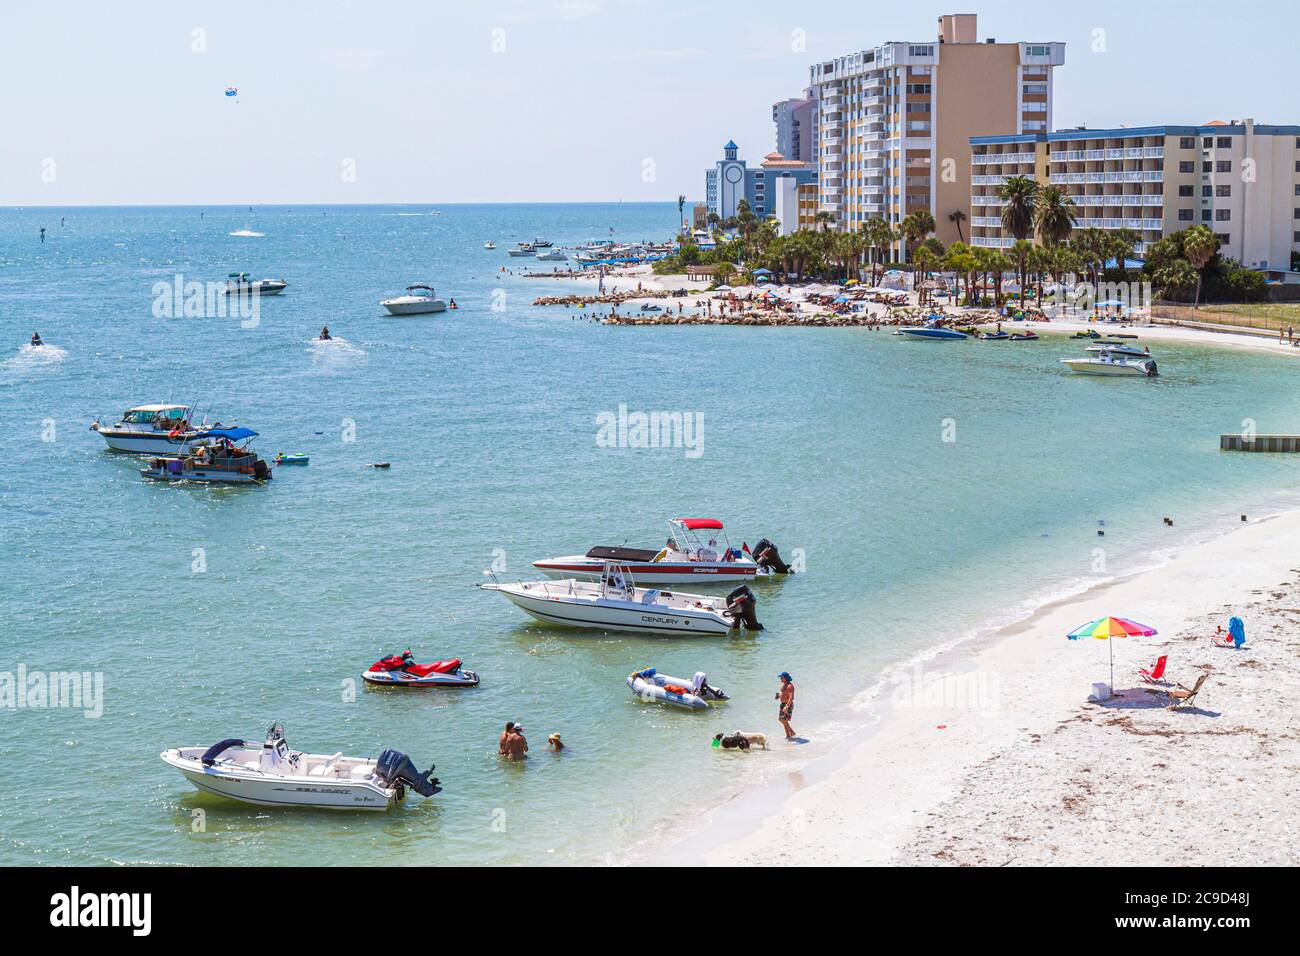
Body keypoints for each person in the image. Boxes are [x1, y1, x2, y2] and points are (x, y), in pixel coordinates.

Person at [775, 672, 796, 740]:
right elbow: (783, 693)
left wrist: (787, 706)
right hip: (782, 704)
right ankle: (791, 732)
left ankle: (788, 736)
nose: (780, 678)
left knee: (784, 720)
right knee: (781, 719)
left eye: (781, 677)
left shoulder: (790, 686)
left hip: (788, 704)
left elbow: (791, 697)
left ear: (785, 678)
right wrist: (778, 696)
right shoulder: (783, 685)